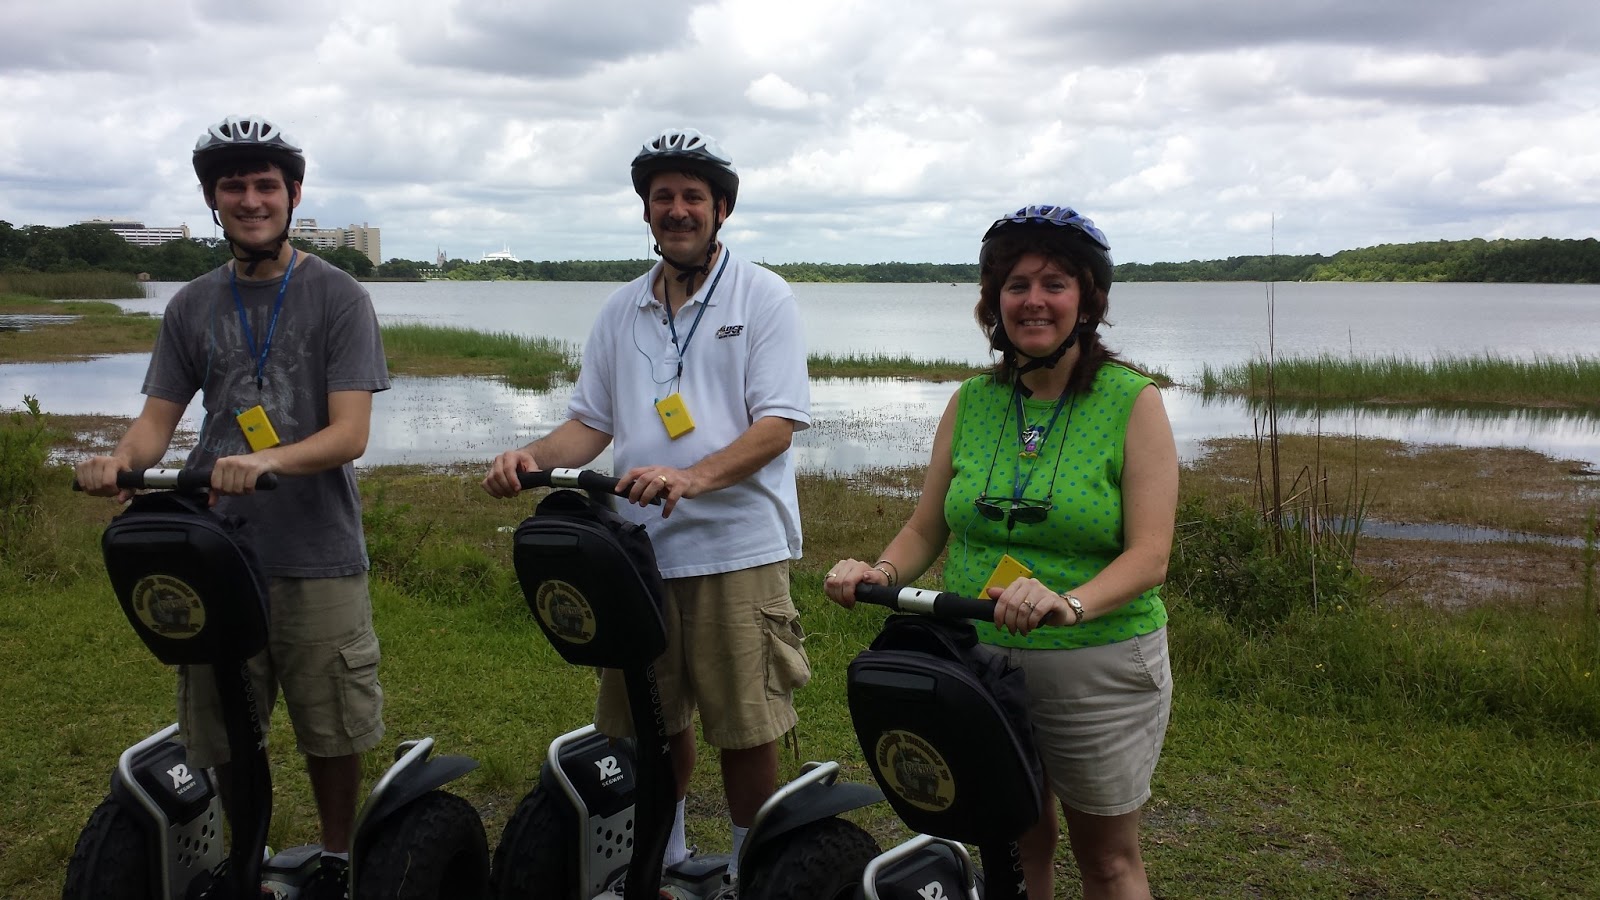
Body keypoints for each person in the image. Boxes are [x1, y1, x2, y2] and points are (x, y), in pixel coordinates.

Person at [482, 127, 812, 895]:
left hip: (738, 548)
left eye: (693, 196)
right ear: (646, 212)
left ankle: (745, 872)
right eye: (662, 197)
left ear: (721, 209)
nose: (677, 209)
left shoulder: (763, 295)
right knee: (650, 723)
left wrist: (691, 477)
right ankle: (661, 863)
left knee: (746, 727)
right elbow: (591, 423)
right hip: (636, 553)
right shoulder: (622, 307)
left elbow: (777, 424)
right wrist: (531, 457)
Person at [75, 114, 390, 900]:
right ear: (214, 200)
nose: (251, 199)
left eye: (265, 185)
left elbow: (349, 433)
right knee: (219, 730)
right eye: (234, 187)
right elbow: (157, 420)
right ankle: (237, 858)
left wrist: (264, 459)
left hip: (317, 552)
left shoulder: (339, 297)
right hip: (215, 554)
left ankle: (337, 860)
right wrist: (121, 461)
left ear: (292, 196)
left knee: (331, 727)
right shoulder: (192, 305)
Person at [823, 204, 1177, 900]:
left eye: (1054, 283)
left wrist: (1067, 603)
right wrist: (882, 571)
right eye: (1016, 284)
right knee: (1015, 841)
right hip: (979, 656)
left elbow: (1150, 556)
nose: (1034, 300)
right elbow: (929, 525)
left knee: (1106, 858)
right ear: (994, 302)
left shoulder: (1132, 402)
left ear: (1088, 299)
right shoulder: (974, 401)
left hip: (1097, 662)